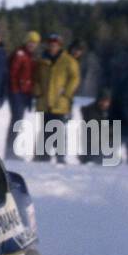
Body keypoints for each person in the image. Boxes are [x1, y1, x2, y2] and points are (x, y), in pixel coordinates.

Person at [36, 35, 82, 163]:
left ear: (60, 46)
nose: (52, 47)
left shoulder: (68, 60)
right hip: (45, 101)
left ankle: (60, 156)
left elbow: (75, 78)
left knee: (60, 130)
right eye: (50, 44)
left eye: (55, 45)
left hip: (60, 101)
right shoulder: (41, 60)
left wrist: (67, 92)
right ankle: (43, 156)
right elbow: (36, 78)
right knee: (45, 129)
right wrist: (37, 91)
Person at [4, 31, 39, 159]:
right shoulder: (20, 54)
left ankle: (12, 149)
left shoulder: (31, 56)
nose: (32, 44)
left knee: (18, 121)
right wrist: (14, 91)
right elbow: (12, 73)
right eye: (30, 41)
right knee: (16, 121)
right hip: (17, 93)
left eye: (34, 43)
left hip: (25, 94)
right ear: (26, 41)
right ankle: (9, 150)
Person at [79, 88, 114, 165]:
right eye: (103, 100)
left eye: (107, 101)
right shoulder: (91, 111)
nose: (105, 103)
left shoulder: (110, 112)